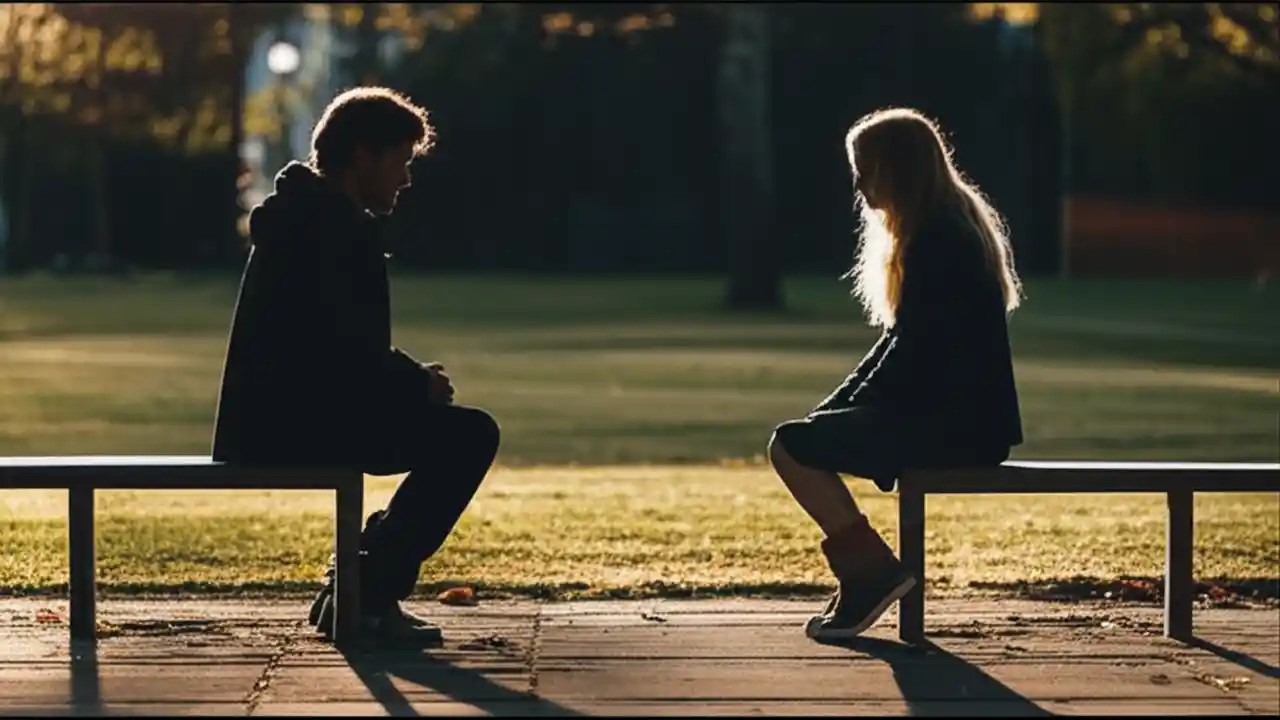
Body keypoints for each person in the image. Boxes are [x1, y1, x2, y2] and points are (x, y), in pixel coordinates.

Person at [211, 87, 500, 646]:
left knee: (458, 433)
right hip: (299, 425)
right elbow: (347, 353)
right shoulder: (334, 228)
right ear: (362, 156)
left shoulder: (307, 217)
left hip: (278, 417)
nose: (406, 179)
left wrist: (412, 380)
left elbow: (336, 343)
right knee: (471, 435)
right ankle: (366, 591)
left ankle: (360, 583)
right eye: (400, 162)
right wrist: (419, 384)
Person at [767, 107, 1024, 642]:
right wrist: (833, 413)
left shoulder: (938, 239)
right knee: (797, 441)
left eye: (866, 168)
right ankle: (868, 571)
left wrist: (833, 422)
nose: (858, 183)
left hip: (956, 427)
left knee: (790, 447)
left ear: (898, 169)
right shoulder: (943, 228)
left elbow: (912, 352)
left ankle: (871, 574)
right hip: (961, 421)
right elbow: (897, 344)